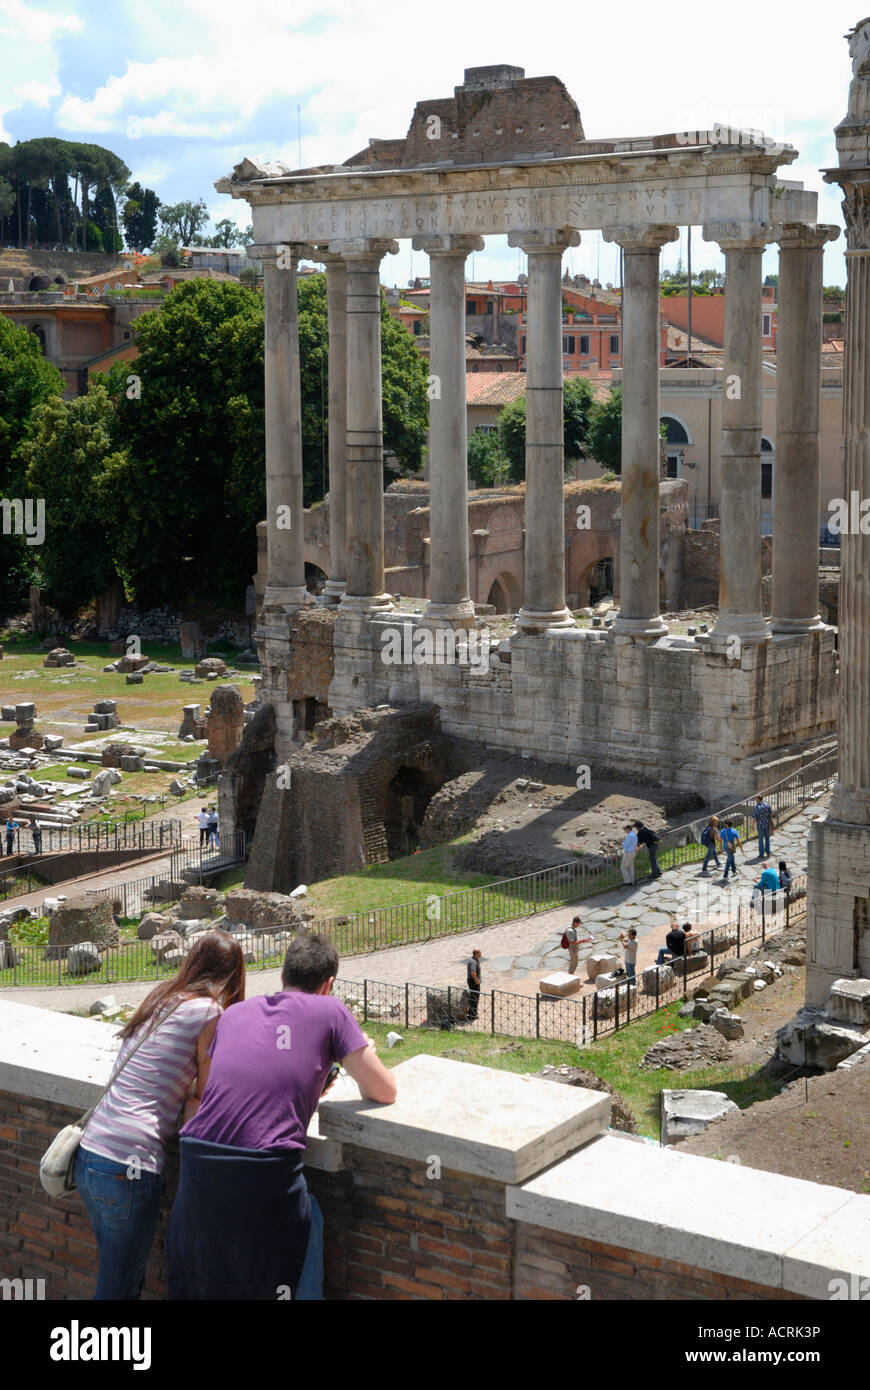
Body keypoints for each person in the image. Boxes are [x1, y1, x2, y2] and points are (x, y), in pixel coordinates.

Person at [166, 933, 396, 1300]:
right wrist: (361, 1048)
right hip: (262, 1173)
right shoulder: (331, 1011)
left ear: (282, 976)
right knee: (308, 1228)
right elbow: (384, 1090)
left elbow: (241, 1084)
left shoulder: (236, 1013)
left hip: (197, 1167)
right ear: (328, 984)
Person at [74, 932, 245, 1300]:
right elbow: (206, 1091)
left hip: (90, 1154)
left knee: (116, 1274)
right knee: (119, 1287)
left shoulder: (163, 996)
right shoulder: (209, 1012)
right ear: (232, 975)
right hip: (127, 1165)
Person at [752, 794, 773, 859]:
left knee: (761, 840)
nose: (755, 800)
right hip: (767, 824)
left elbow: (755, 817)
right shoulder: (767, 805)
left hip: (760, 825)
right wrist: (768, 818)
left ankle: (761, 854)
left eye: (756, 799)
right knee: (767, 838)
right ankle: (768, 852)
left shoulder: (757, 807)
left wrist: (752, 825)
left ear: (758, 799)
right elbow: (772, 813)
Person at [466, 947, 482, 1019]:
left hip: (472, 981)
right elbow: (473, 972)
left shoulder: (475, 959)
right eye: (480, 953)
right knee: (475, 997)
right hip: (473, 982)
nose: (481, 954)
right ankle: (472, 1015)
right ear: (476, 954)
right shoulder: (473, 962)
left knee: (474, 997)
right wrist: (477, 981)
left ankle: (471, 1011)